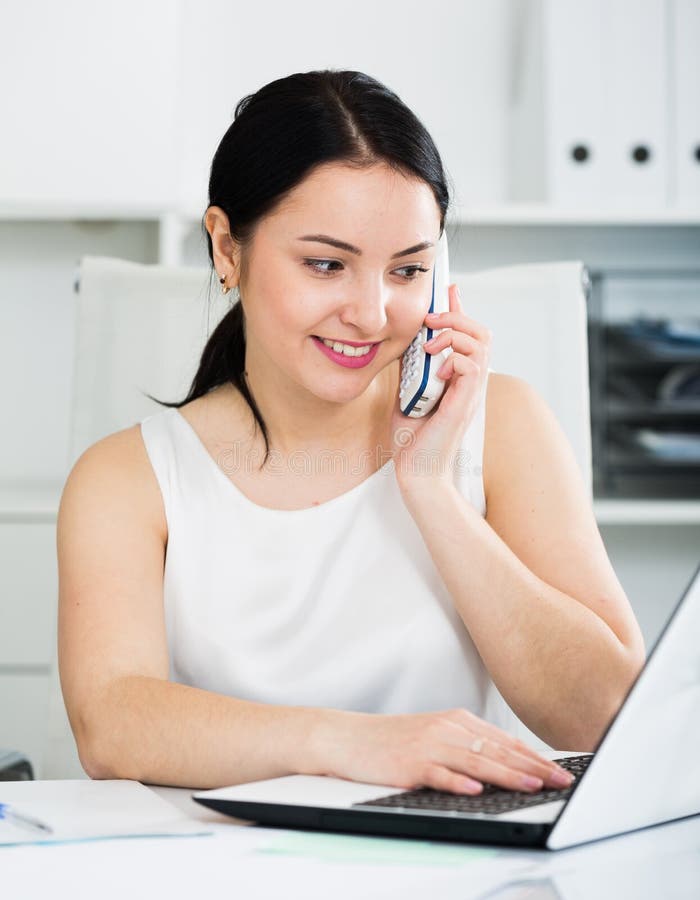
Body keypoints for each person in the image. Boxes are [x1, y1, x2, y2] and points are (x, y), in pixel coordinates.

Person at [57, 69, 646, 796]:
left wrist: (431, 488)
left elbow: (608, 716)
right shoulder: (127, 478)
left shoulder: (505, 428)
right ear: (226, 248)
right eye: (327, 264)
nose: (371, 314)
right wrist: (351, 743)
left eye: (408, 270)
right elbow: (111, 725)